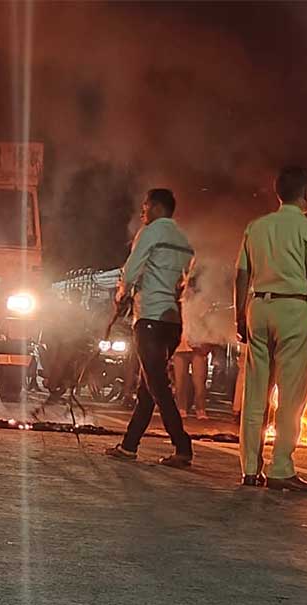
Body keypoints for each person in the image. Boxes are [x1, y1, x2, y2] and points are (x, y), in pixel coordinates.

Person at [235, 166, 307, 491]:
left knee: (256, 393)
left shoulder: (255, 227)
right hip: (294, 309)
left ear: (278, 192)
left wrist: (240, 316)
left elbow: (241, 275)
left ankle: (250, 470)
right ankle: (281, 467)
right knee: (291, 395)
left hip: (259, 307)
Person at [105, 189, 195, 467]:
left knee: (157, 385)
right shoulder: (185, 240)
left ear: (157, 207)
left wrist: (121, 296)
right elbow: (183, 283)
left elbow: (131, 271)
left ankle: (183, 446)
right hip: (172, 322)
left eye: (145, 204)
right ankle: (129, 445)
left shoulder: (151, 232)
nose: (142, 209)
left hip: (150, 320)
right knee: (148, 387)